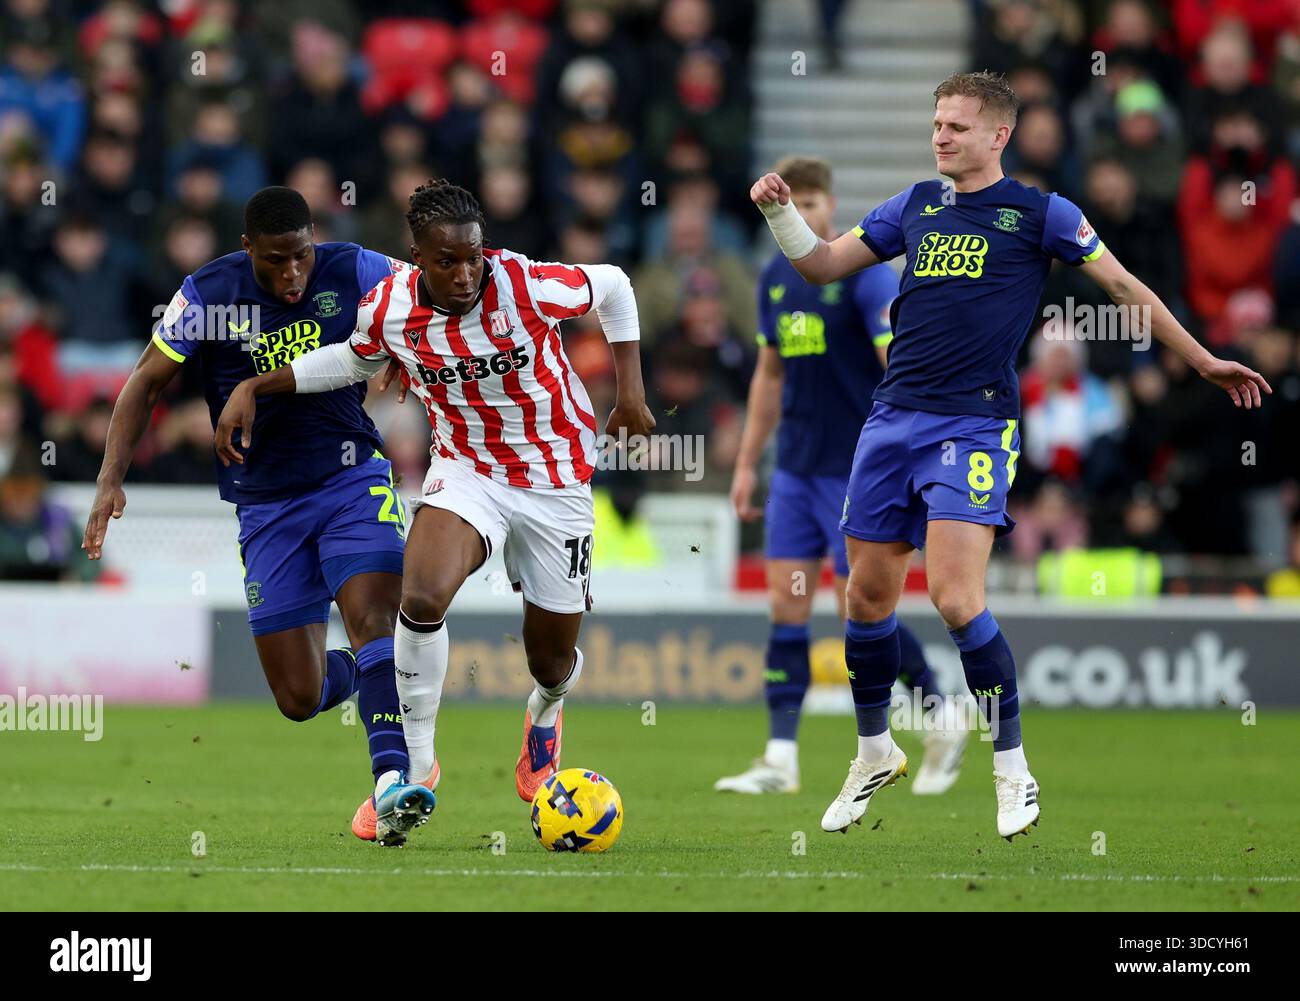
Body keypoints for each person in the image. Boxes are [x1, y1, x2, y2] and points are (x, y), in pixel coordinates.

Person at [750, 71, 1270, 840]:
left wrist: (1203, 359)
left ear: (998, 135)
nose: (940, 136)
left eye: (956, 126)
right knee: (864, 598)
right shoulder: (914, 205)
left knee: (957, 599)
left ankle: (1012, 764)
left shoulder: (1041, 213)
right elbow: (823, 265)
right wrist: (783, 218)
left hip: (973, 424)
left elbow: (1125, 285)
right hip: (890, 419)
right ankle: (872, 751)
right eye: (936, 123)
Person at [214, 178, 655, 808]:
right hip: (467, 469)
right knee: (418, 598)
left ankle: (547, 711)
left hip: (556, 476)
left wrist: (630, 390)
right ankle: (417, 767)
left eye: (474, 256)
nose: (466, 273)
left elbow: (613, 284)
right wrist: (258, 386)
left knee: (549, 661)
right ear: (417, 256)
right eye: (447, 261)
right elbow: (351, 359)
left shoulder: (524, 284)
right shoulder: (390, 307)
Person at [82, 186, 434, 847]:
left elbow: (428, 298)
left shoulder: (354, 268)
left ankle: (393, 780)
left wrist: (410, 355)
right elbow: (144, 381)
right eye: (276, 261)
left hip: (351, 475)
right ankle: (374, 670)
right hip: (266, 505)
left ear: (314, 241)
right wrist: (109, 480)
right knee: (300, 696)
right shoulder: (209, 294)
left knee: (372, 615)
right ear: (248, 250)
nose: (293, 273)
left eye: (301, 255)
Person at [717, 155, 965, 797]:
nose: (801, 212)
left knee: (857, 605)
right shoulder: (774, 277)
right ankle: (779, 758)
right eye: (790, 201)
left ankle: (940, 712)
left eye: (813, 202)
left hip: (855, 469)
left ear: (830, 207)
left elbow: (896, 360)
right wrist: (747, 462)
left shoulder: (864, 281)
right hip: (796, 473)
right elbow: (769, 375)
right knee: (785, 608)